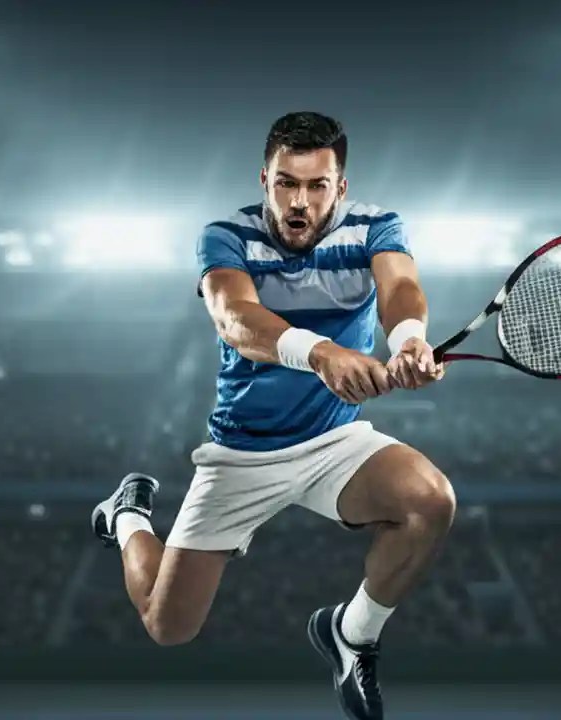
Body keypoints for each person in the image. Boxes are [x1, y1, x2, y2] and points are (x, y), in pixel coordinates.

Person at [91, 111, 454, 720]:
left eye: (316, 186)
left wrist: (410, 339)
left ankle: (353, 634)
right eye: (286, 183)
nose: (299, 201)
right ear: (265, 179)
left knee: (430, 502)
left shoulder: (376, 228)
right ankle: (127, 516)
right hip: (243, 452)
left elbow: (400, 290)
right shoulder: (224, 236)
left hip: (335, 439)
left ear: (339, 187)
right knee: (166, 624)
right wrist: (322, 353)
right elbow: (237, 320)